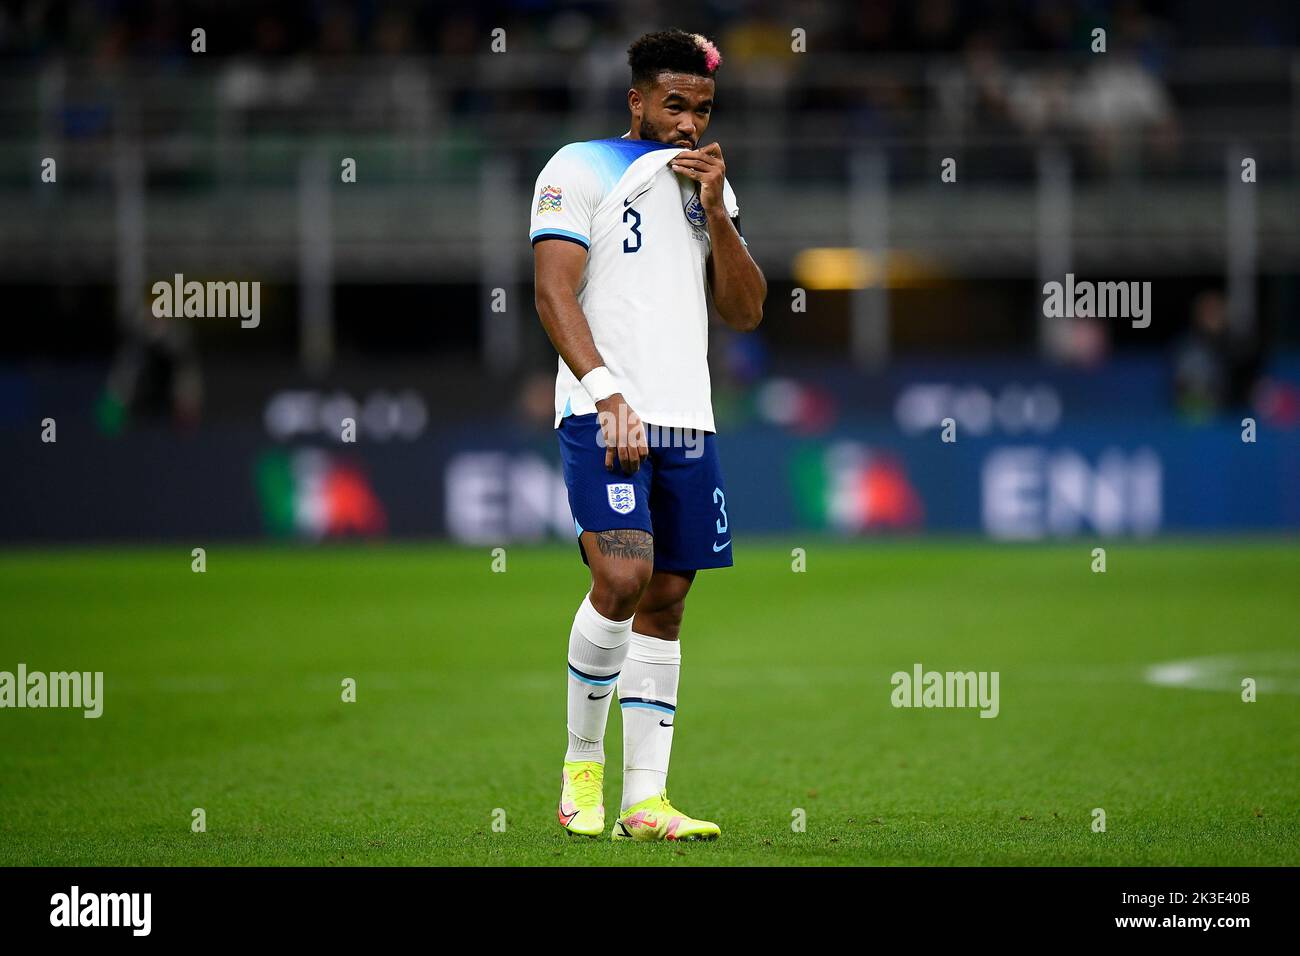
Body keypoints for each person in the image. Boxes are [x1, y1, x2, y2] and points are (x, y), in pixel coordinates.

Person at [530, 29, 767, 841]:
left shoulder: (706, 188)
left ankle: (645, 801)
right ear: (636, 99)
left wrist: (715, 213)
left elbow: (744, 310)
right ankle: (580, 770)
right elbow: (552, 292)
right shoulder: (577, 166)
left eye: (701, 109)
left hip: (687, 419)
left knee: (667, 601)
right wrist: (605, 393)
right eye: (674, 105)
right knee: (623, 575)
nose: (688, 124)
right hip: (606, 414)